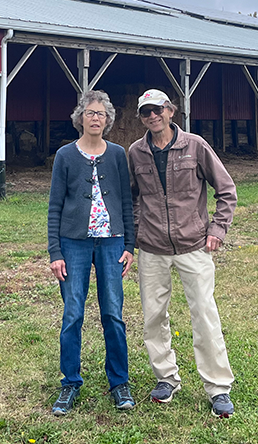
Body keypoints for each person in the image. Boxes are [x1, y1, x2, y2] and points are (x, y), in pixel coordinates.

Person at [127, 88, 238, 418]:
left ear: (171, 111)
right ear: (141, 117)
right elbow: (131, 198)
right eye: (146, 112)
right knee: (152, 317)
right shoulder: (135, 152)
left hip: (193, 246)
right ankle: (166, 378)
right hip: (152, 249)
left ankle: (218, 387)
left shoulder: (195, 146)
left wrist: (217, 229)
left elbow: (227, 190)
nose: (152, 116)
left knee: (204, 314)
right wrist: (136, 234)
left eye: (157, 109)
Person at [47, 90, 136, 416]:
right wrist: (55, 251)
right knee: (73, 314)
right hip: (74, 244)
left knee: (113, 313)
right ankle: (70, 382)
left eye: (101, 113)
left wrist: (129, 245)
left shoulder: (116, 154)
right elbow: (54, 207)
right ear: (80, 118)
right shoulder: (65, 156)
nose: (95, 118)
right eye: (90, 112)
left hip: (111, 241)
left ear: (108, 119)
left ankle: (119, 381)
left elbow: (127, 202)